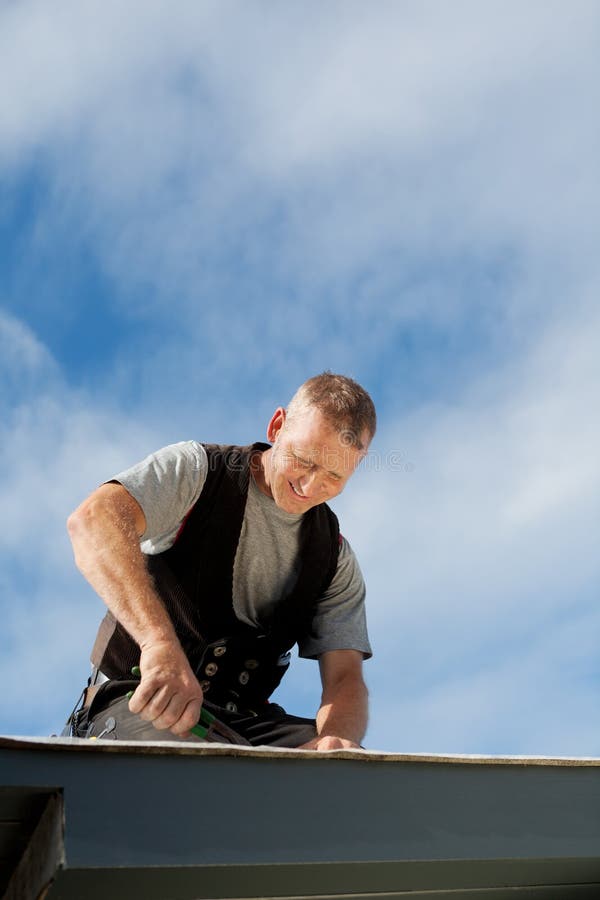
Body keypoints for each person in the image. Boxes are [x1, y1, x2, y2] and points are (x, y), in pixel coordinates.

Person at [65, 372, 376, 749]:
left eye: (333, 475)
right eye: (303, 460)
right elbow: (92, 521)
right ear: (277, 427)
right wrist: (158, 645)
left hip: (243, 725)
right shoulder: (198, 472)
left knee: (349, 779)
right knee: (193, 770)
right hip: (136, 701)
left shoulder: (334, 558)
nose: (310, 487)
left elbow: (345, 678)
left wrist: (336, 741)